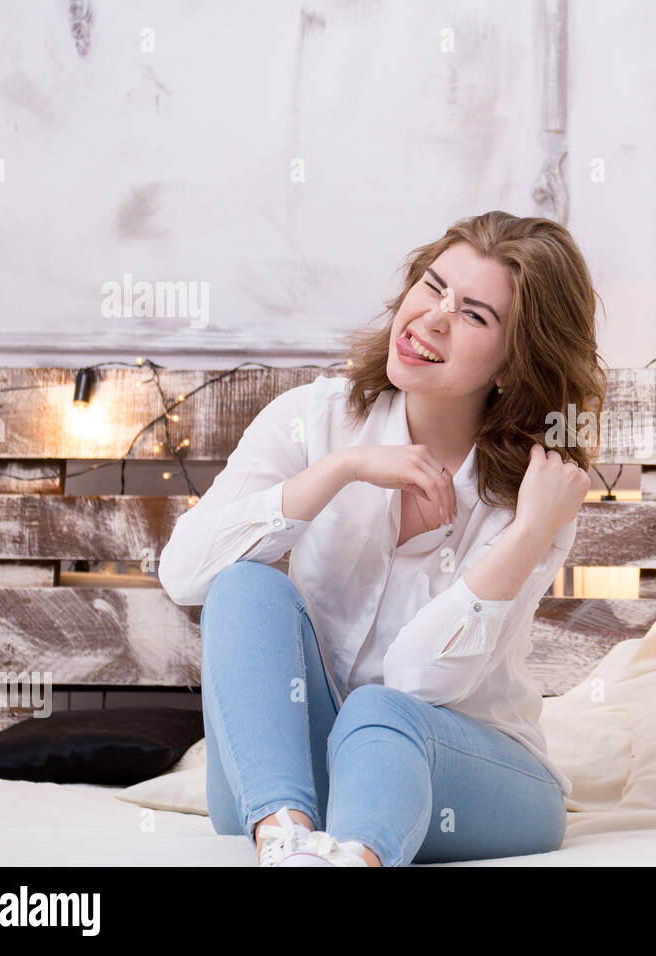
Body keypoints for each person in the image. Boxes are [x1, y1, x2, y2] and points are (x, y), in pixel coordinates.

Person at [158, 210, 607, 866]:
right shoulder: (314, 420)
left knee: (379, 714)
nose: (431, 318)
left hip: (455, 771)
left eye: (475, 315)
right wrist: (338, 471)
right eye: (431, 286)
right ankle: (284, 841)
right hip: (294, 782)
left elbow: (417, 682)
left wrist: (532, 531)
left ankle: (352, 858)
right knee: (247, 585)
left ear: (515, 363)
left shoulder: (537, 493)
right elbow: (183, 574)